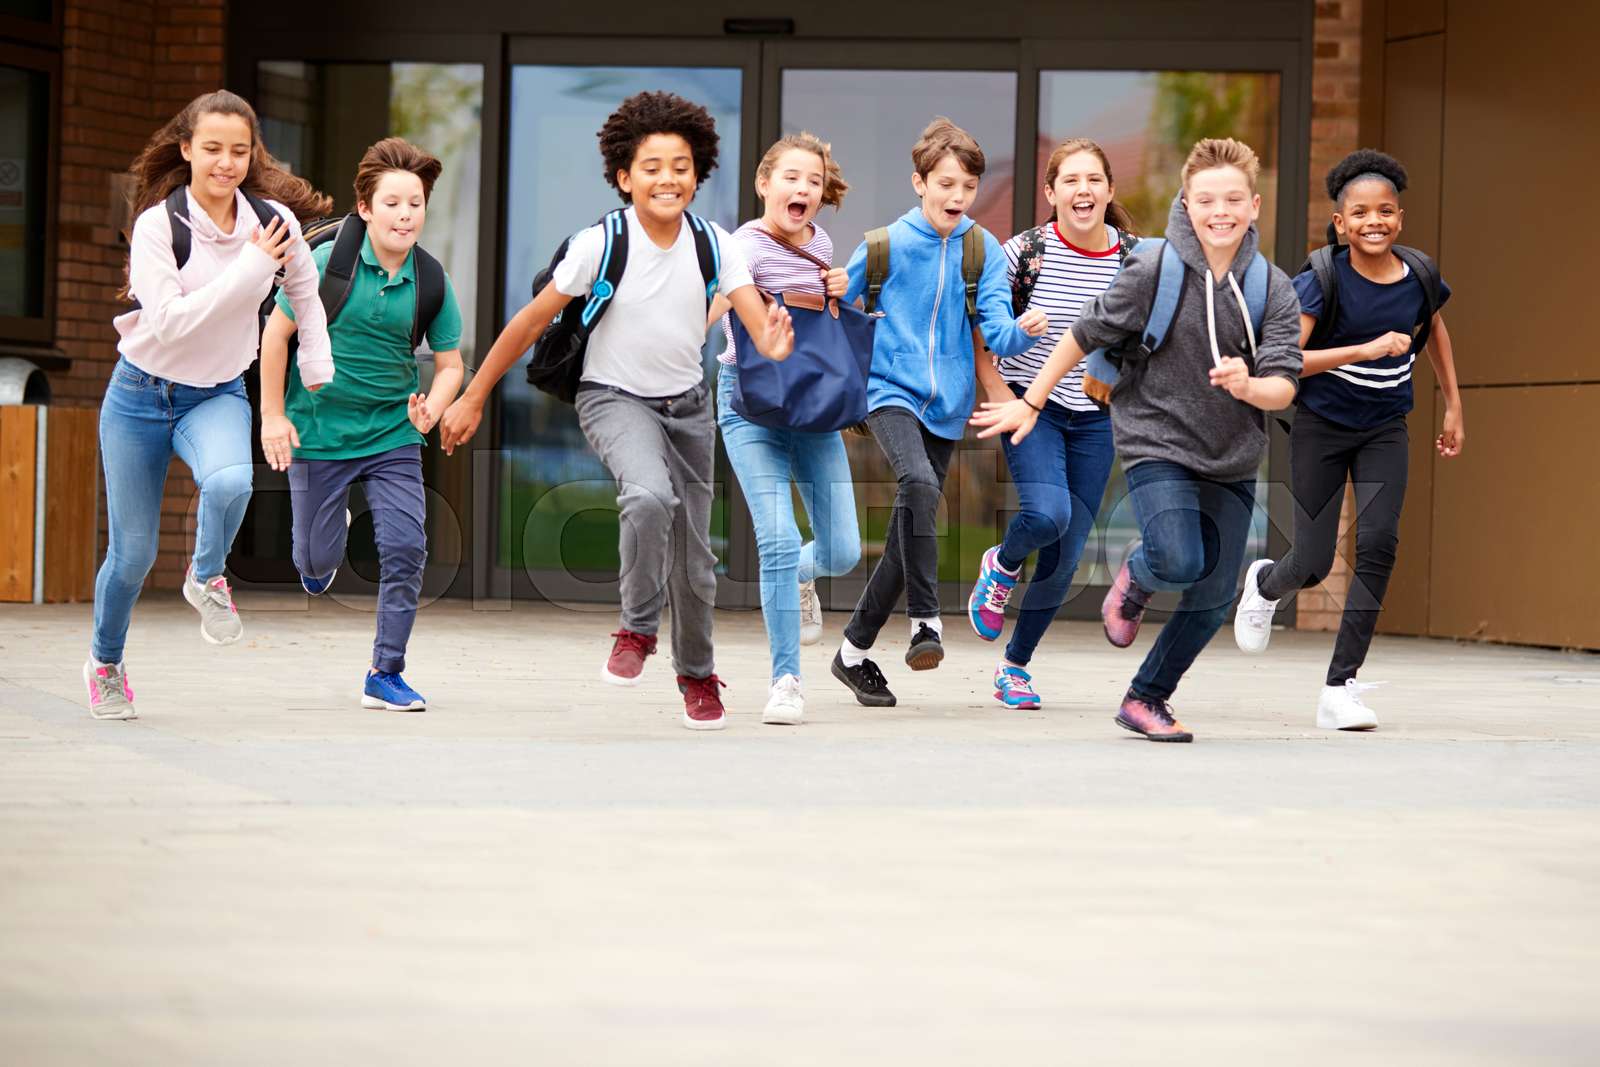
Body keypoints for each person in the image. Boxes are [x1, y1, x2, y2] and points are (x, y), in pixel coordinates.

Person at [438, 91, 794, 731]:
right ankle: (635, 630)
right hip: (611, 397)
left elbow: (754, 324)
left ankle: (697, 676)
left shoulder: (716, 245)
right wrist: (473, 394)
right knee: (649, 497)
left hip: (688, 407)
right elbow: (527, 322)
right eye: (652, 166)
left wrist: (771, 340)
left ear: (698, 173)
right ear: (625, 177)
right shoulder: (601, 244)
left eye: (680, 165)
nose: (668, 178)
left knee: (695, 561)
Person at [973, 138, 1302, 743]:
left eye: (1233, 199)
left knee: (1211, 597)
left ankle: (1146, 698)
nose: (1220, 211)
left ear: (1254, 205)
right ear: (1187, 201)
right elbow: (1083, 332)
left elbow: (1285, 382)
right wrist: (1032, 400)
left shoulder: (1272, 288)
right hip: (1156, 440)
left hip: (1232, 453)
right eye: (1207, 199)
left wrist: (1250, 386)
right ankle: (1141, 575)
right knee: (1176, 557)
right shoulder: (1154, 267)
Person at [86, 90, 333, 721]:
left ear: (253, 155)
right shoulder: (157, 227)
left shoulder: (271, 218)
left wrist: (314, 360)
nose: (226, 162)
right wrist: (252, 269)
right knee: (133, 555)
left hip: (217, 391)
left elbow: (304, 289)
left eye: (240, 150)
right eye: (213, 149)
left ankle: (206, 575)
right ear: (188, 149)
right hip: (139, 397)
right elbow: (170, 325)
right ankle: (106, 663)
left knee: (230, 482)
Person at [1233, 148, 1463, 730]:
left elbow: (1434, 331)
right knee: (1311, 563)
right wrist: (1361, 350)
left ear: (1400, 217)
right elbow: (1285, 362)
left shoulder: (1420, 276)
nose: (1374, 222)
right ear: (1340, 223)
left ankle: (1341, 686)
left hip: (1385, 428)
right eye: (1360, 213)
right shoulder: (1321, 280)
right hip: (1321, 430)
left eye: (1385, 211)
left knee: (1380, 543)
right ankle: (1265, 582)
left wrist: (1454, 405)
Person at [829, 117, 1047, 710]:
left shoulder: (984, 250)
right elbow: (837, 314)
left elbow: (996, 332)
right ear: (919, 182)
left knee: (909, 531)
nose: (957, 197)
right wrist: (825, 291)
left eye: (968, 187)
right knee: (919, 483)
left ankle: (851, 653)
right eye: (946, 183)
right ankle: (927, 619)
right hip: (888, 390)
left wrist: (1024, 333)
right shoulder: (883, 246)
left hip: (948, 404)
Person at [259, 137, 466, 714]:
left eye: (416, 204)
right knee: (315, 563)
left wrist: (434, 406)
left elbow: (450, 365)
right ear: (367, 209)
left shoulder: (430, 280)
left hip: (391, 433)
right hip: (319, 432)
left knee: (405, 547)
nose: (406, 215)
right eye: (393, 203)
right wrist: (273, 415)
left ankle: (386, 671)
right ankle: (319, 548)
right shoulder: (328, 264)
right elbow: (276, 337)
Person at [966, 138, 1133, 710]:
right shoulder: (1023, 253)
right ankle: (1003, 562)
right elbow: (980, 333)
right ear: (1051, 192)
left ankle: (1015, 668)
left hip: (1097, 419)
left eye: (1093, 180)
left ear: (1110, 191)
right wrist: (1000, 397)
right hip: (1029, 405)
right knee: (1047, 515)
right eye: (1070, 181)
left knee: (1068, 556)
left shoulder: (1133, 260)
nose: (1083, 191)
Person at [709, 133, 862, 726]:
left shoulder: (820, 241)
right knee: (774, 537)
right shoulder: (740, 246)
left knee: (843, 550)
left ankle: (802, 576)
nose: (803, 189)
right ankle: (786, 679)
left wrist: (838, 287)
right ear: (764, 183)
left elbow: (820, 317)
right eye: (792, 177)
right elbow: (720, 306)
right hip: (748, 405)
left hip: (810, 407)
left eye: (815, 182)